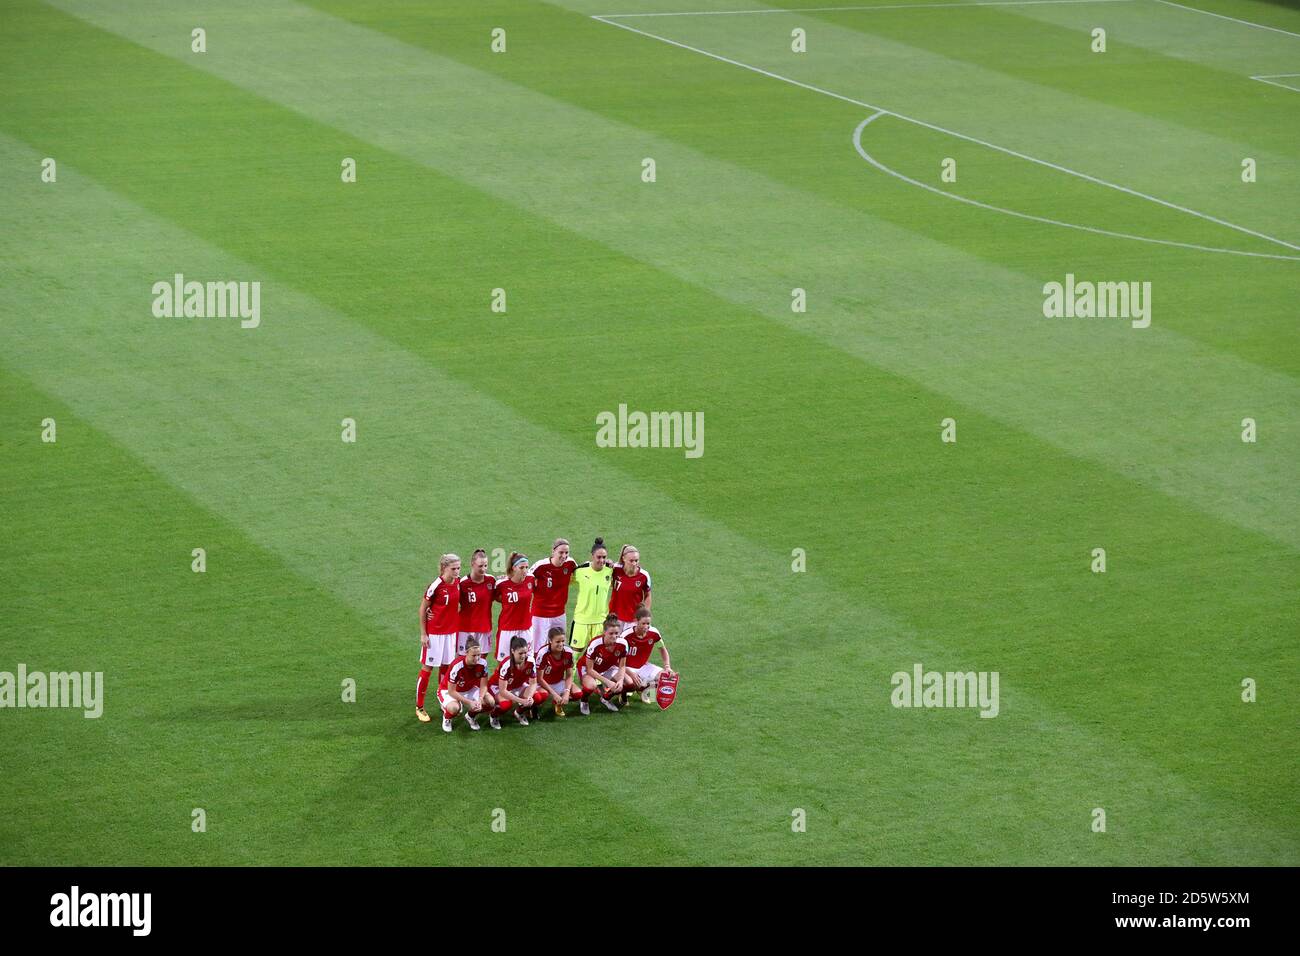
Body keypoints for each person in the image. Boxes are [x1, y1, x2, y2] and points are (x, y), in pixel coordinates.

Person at [416, 553, 461, 723]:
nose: (457, 571)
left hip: (450, 634)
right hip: (434, 634)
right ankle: (419, 707)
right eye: (453, 568)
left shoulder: (458, 583)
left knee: (446, 668)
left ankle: (443, 699)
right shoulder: (436, 586)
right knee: (427, 668)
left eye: (458, 568)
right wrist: (423, 633)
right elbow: (422, 609)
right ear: (444, 568)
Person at [529, 539, 577, 659]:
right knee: (538, 647)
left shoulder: (570, 563)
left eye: (567, 552)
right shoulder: (541, 566)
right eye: (561, 552)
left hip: (559, 614)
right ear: (553, 551)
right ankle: (535, 674)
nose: (564, 556)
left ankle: (553, 672)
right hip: (540, 615)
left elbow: (583, 571)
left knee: (559, 645)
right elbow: (525, 577)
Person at [489, 636, 549, 728]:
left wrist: (528, 698)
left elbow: (533, 683)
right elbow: (503, 690)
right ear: (513, 651)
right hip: (497, 687)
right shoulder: (507, 664)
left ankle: (519, 712)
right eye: (520, 653)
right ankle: (493, 715)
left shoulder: (530, 661)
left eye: (525, 653)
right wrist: (521, 700)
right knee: (506, 705)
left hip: (517, 685)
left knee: (537, 697)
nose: (523, 656)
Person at [437, 636, 494, 733]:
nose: (477, 658)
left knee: (490, 702)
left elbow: (484, 686)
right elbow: (451, 691)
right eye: (474, 655)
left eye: (479, 655)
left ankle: (470, 716)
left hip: (469, 689)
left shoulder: (483, 663)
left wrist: (479, 700)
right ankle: (447, 717)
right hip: (448, 690)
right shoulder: (457, 666)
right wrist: (469, 702)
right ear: (466, 653)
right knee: (455, 708)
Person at [569, 537, 613, 656]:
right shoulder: (581, 571)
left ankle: (592, 675)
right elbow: (564, 581)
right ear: (592, 556)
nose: (602, 560)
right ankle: (569, 676)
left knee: (597, 655)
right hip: (582, 620)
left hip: (600, 621)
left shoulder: (610, 571)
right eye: (599, 557)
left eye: (604, 557)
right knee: (575, 654)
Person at [622, 605, 675, 704]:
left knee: (664, 677)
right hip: (626, 668)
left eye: (648, 623)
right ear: (636, 622)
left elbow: (663, 650)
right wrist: (630, 673)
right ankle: (623, 695)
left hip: (643, 666)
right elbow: (617, 660)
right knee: (631, 684)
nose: (646, 626)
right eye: (643, 623)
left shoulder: (654, 633)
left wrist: (667, 666)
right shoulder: (626, 635)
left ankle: (643, 691)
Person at [576, 615, 629, 715]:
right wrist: (607, 682)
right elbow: (590, 669)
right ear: (604, 633)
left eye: (616, 633)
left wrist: (621, 680)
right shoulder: (595, 644)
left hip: (607, 667)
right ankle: (584, 700)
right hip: (587, 669)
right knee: (591, 686)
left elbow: (622, 666)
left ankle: (606, 698)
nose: (614, 636)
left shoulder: (623, 643)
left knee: (628, 683)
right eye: (611, 633)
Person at [492, 552, 535, 661]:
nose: (525, 570)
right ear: (514, 568)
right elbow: (495, 597)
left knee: (527, 660)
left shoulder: (530, 579)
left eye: (526, 567)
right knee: (504, 662)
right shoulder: (501, 584)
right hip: (507, 628)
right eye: (521, 568)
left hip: (526, 627)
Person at [535, 625, 584, 718]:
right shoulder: (543, 653)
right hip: (542, 684)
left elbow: (569, 675)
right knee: (542, 696)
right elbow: (539, 678)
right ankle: (533, 707)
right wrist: (554, 694)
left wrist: (566, 691)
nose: (561, 644)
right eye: (557, 641)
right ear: (550, 641)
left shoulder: (568, 652)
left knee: (578, 694)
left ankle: (557, 703)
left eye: (563, 641)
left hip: (558, 682)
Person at [458, 549, 496, 656]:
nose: (483, 569)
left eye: (485, 565)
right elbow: (451, 601)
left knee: (482, 659)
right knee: (462, 659)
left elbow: (500, 596)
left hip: (484, 627)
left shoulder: (491, 581)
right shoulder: (463, 583)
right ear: (472, 564)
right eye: (480, 566)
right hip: (466, 628)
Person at [609, 545, 651, 629]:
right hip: (615, 618)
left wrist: (645, 615)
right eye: (631, 561)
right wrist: (607, 562)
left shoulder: (644, 576)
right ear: (624, 558)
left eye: (636, 560)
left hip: (634, 620)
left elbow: (648, 595)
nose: (634, 564)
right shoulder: (615, 569)